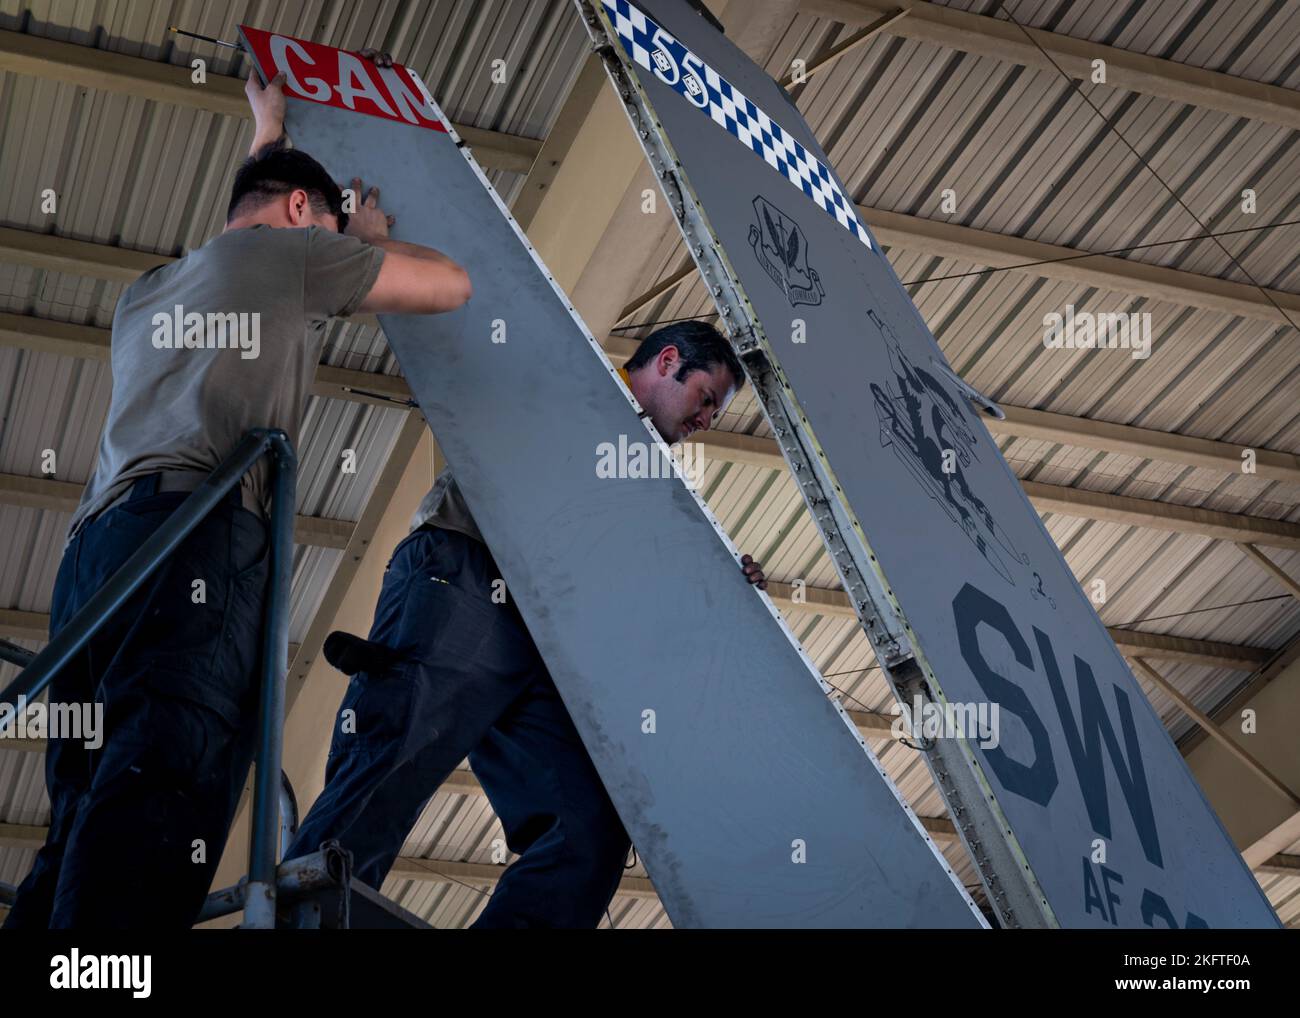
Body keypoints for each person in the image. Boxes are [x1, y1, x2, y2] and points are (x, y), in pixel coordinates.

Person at [5, 62, 471, 929]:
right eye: (323, 224)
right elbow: (451, 284)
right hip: (195, 542)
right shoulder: (294, 257)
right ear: (304, 217)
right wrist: (366, 239)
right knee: (163, 781)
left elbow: (254, 212)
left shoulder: (150, 295)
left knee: (80, 814)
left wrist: (268, 128)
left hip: (94, 567)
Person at [287, 321, 768, 928]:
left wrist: (723, 575)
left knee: (588, 829)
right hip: (466, 574)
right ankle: (304, 917)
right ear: (668, 360)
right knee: (396, 754)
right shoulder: (573, 382)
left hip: (544, 643)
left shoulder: (649, 481)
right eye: (707, 400)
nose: (708, 421)